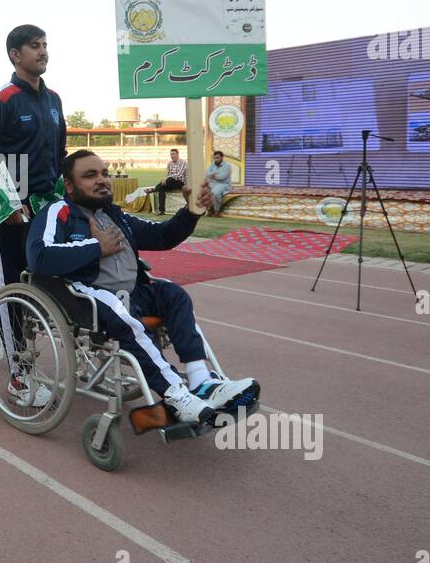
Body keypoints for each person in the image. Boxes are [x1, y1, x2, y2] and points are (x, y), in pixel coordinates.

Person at [27, 150, 260, 424]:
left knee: (172, 293)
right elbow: (39, 257)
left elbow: (161, 236)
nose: (102, 180)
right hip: (85, 298)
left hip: (130, 294)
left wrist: (190, 211)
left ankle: (202, 380)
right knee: (120, 309)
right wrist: (96, 247)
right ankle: (175, 393)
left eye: (105, 174)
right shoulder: (59, 212)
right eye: (90, 175)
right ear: (69, 185)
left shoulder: (115, 215)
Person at [0, 25, 67, 402]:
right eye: (34, 46)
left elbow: (59, 155)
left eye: (45, 45)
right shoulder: (3, 98)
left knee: (40, 287)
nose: (43, 51)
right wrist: (9, 203)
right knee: (11, 289)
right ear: (15, 54)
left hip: (45, 212)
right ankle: (19, 377)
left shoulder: (54, 99)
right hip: (8, 215)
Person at [153, 148, 189, 215]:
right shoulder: (169, 163)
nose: (172, 156)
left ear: (177, 154)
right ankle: (161, 210)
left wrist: (167, 178)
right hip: (171, 182)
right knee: (162, 188)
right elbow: (167, 174)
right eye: (171, 154)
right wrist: (166, 178)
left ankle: (154, 189)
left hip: (181, 182)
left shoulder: (183, 162)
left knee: (169, 180)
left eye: (173, 154)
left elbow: (179, 175)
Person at [205, 150, 232, 216]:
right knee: (203, 192)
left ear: (222, 158)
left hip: (223, 184)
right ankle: (209, 210)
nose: (216, 160)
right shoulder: (212, 164)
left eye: (217, 158)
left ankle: (216, 211)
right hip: (212, 183)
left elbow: (222, 177)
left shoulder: (227, 166)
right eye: (214, 158)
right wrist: (214, 174)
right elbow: (207, 174)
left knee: (215, 193)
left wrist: (212, 175)